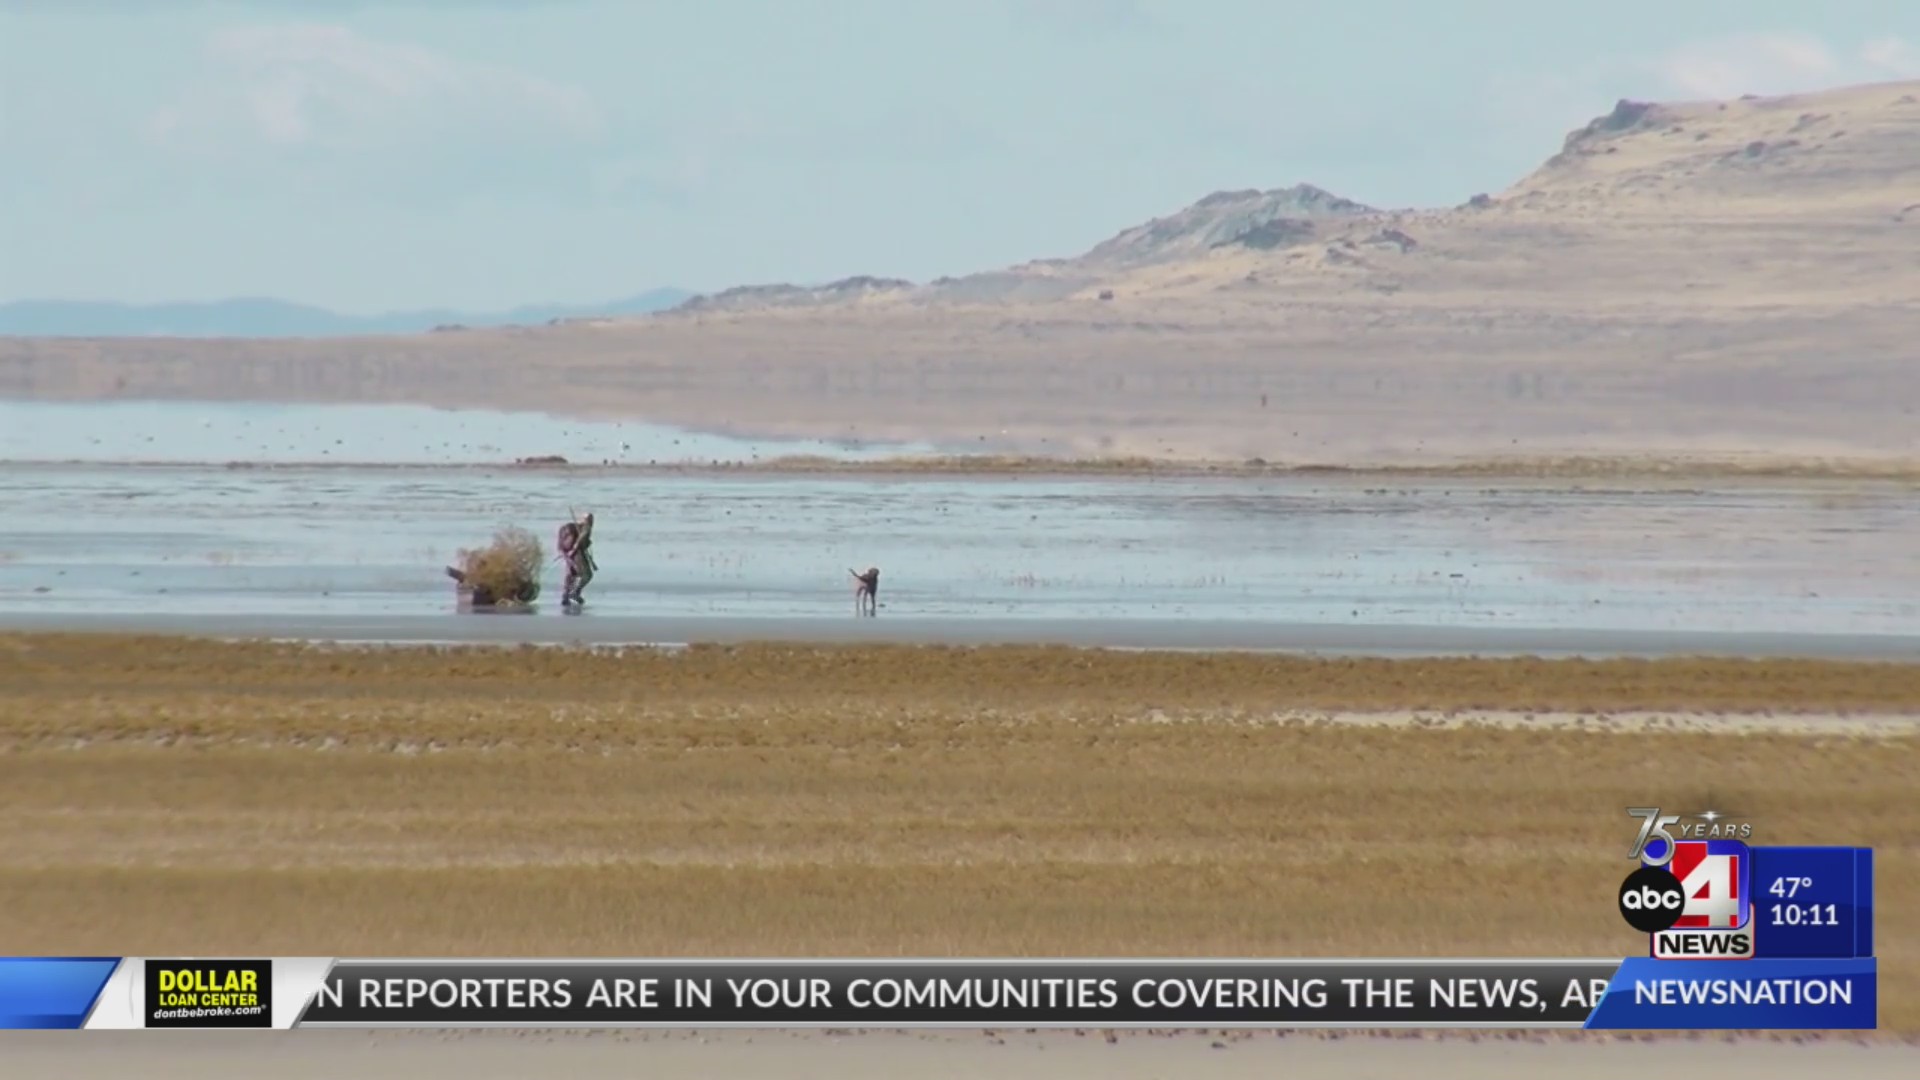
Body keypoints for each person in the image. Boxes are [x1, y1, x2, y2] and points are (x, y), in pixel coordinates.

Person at [558, 512, 596, 606]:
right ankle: (574, 592)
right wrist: (574, 549)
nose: (592, 522)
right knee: (587, 574)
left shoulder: (570, 527)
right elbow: (581, 538)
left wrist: (563, 552)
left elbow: (561, 542)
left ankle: (565, 596)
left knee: (571, 573)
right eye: (590, 519)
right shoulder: (586, 527)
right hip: (576, 553)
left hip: (566, 550)